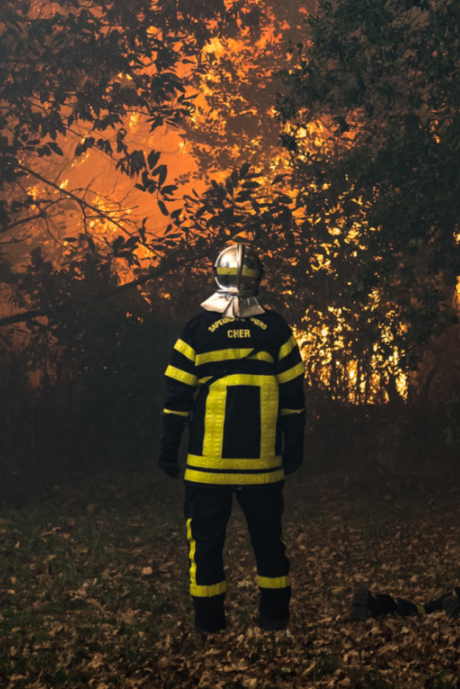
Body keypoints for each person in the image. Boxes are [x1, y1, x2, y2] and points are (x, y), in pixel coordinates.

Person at [158, 242, 305, 634]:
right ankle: (274, 621)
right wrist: (295, 446)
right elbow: (294, 397)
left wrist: (168, 449)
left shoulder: (197, 327)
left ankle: (209, 626)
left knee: (205, 547)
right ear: (258, 281)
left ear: (216, 275)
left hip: (207, 468)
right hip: (263, 467)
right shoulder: (276, 328)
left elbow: (176, 398)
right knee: (269, 544)